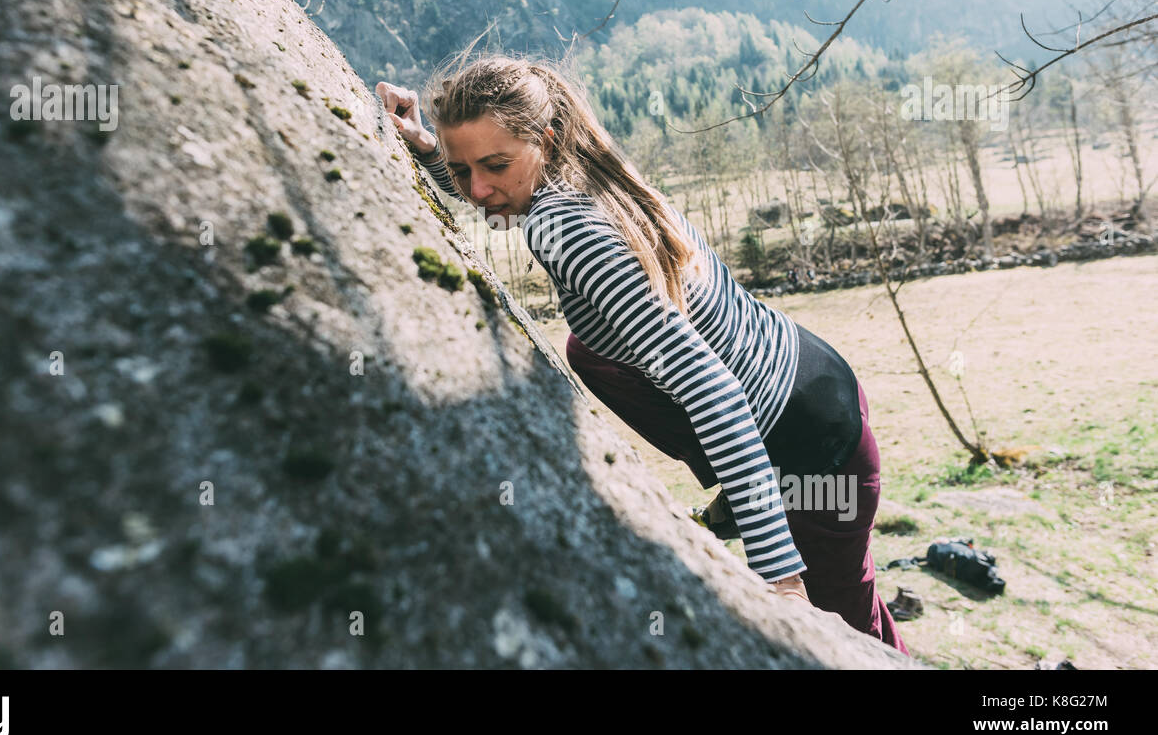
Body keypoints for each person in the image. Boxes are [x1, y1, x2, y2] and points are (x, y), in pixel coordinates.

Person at [376, 53, 909, 657]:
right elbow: (493, 194)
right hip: (811, 373)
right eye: (461, 167)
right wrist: (425, 148)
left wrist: (779, 580)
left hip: (815, 446)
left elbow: (708, 387)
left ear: (544, 142)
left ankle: (762, 511)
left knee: (845, 620)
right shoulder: (585, 172)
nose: (477, 188)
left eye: (494, 165)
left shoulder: (565, 229)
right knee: (589, 346)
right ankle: (751, 497)